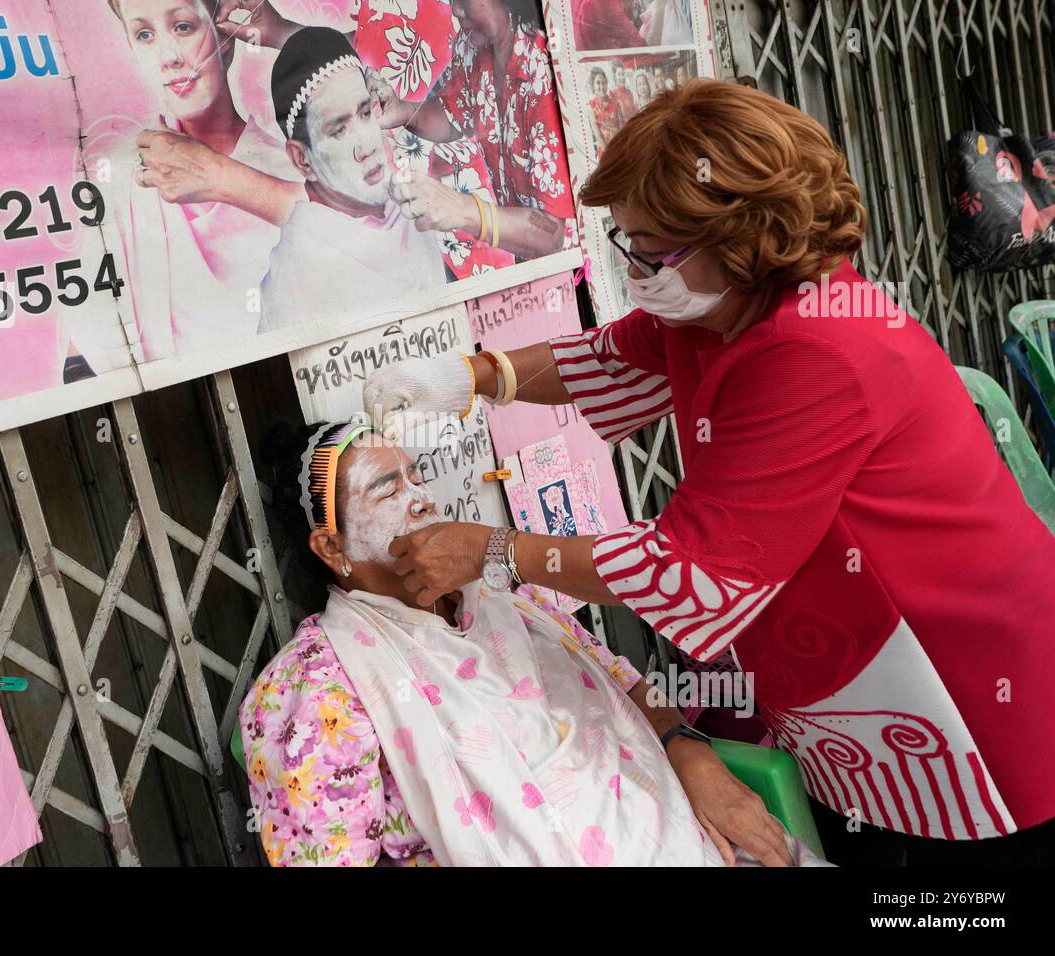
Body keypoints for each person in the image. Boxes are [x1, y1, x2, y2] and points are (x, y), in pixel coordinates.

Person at [360, 78, 1055, 866]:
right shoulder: (723, 307)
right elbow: (617, 356)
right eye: (628, 245)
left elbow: (688, 569)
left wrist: (491, 551)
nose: (635, 271)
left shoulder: (818, 353)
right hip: (852, 671)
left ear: (741, 236)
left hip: (968, 677)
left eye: (652, 252)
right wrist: (474, 377)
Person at [241, 419, 822, 866]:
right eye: (387, 490)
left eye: (417, 477)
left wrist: (692, 755)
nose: (420, 497)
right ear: (333, 549)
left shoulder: (511, 602)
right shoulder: (314, 688)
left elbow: (621, 683)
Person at [65, 0, 304, 374]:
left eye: (183, 27)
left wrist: (218, 176)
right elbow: (84, 341)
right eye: (144, 35)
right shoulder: (118, 176)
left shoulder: (291, 167)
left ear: (225, 32)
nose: (168, 57)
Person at [256, 28, 446, 333]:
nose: (366, 146)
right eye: (339, 130)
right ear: (302, 159)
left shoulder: (409, 209)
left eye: (366, 113)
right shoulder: (297, 277)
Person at [374, 0, 578, 262]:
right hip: (532, 266)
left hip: (573, 271)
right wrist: (403, 112)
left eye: (465, 0)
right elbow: (452, 115)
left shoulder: (544, 69)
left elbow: (552, 234)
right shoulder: (471, 46)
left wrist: (462, 209)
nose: (456, 11)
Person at [586, 67, 623, 151]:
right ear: (593, 85)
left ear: (607, 84)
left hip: (619, 146)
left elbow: (621, 128)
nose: (601, 86)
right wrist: (609, 155)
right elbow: (598, 136)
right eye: (598, 83)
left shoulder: (616, 103)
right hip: (605, 152)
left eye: (604, 83)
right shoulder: (591, 108)